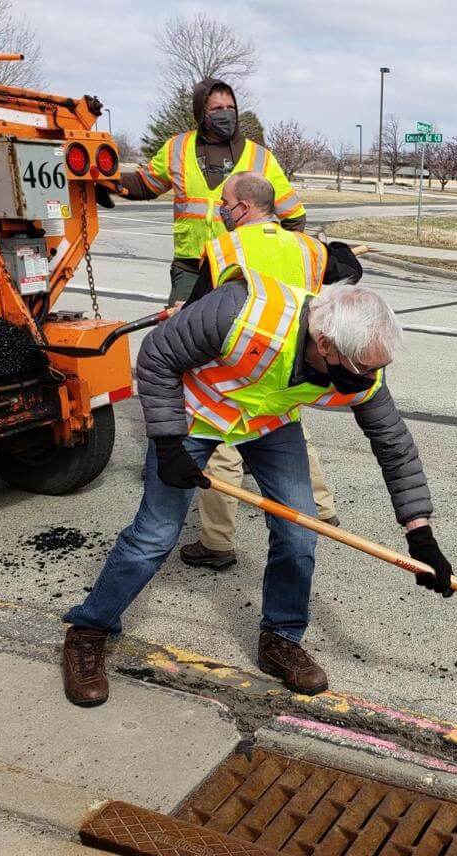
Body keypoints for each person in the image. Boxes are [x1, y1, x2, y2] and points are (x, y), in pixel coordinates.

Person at [60, 277, 455, 707]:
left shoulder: (362, 364)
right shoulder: (240, 314)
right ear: (325, 344)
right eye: (362, 368)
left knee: (299, 532)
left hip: (267, 424)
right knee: (155, 535)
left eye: (379, 367)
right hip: (195, 414)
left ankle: (281, 637)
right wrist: (169, 443)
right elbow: (156, 354)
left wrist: (420, 534)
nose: (371, 378)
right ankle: (89, 629)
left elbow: (394, 444)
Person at [177, 172, 359, 570]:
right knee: (290, 429)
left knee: (222, 450)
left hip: (236, 366)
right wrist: (336, 248)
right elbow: (350, 269)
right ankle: (321, 510)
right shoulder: (308, 248)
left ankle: (216, 542)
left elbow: (197, 314)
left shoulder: (224, 249)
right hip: (288, 366)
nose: (222, 210)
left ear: (243, 208)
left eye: (225, 204)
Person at [118, 79, 307, 306]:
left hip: (239, 269)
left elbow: (294, 217)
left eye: (231, 108)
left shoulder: (260, 157)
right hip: (190, 268)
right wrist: (106, 179)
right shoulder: (178, 147)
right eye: (217, 109)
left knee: (231, 327)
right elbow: (144, 184)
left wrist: (271, 254)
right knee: (180, 325)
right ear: (202, 113)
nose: (226, 114)